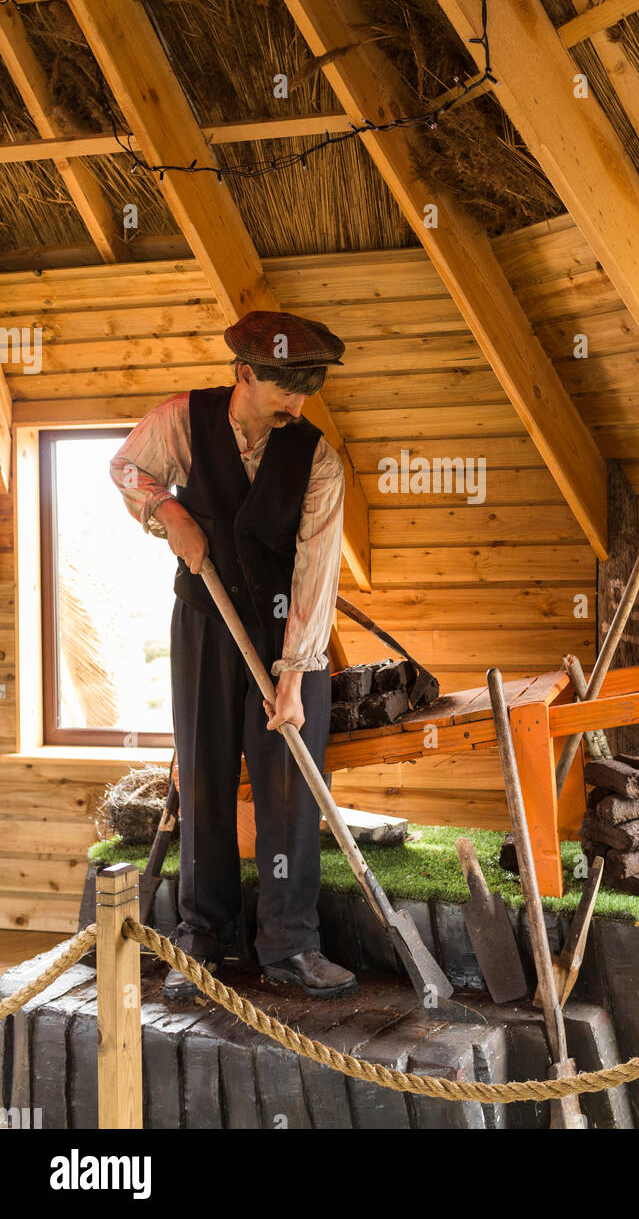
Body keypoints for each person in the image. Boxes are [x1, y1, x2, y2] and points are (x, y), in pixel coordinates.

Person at [110, 309, 357, 1002]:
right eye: (286, 389)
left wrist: (294, 673)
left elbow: (315, 573)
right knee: (205, 777)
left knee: (291, 792)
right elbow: (126, 466)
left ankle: (290, 946)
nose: (299, 406)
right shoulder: (183, 421)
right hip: (204, 622)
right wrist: (170, 512)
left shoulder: (317, 461)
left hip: (289, 637)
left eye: (307, 391)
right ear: (245, 373)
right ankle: (205, 935)